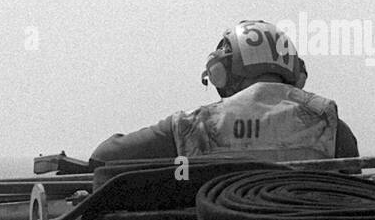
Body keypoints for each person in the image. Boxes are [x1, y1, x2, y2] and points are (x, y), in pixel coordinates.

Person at [90, 20, 359, 164]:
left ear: (222, 73)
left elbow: (105, 156)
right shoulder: (332, 126)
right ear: (295, 73)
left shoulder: (195, 127)